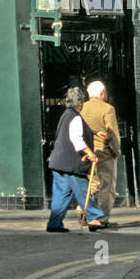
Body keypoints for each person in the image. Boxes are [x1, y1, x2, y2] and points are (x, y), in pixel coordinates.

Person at [46, 86, 104, 232]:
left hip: (58, 162)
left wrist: (95, 132)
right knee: (83, 190)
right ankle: (94, 218)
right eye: (82, 101)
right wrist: (90, 153)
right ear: (79, 103)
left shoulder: (66, 115)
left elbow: (71, 131)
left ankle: (54, 223)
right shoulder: (76, 117)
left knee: (61, 195)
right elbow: (77, 139)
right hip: (71, 164)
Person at [80, 80, 121, 228]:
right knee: (106, 186)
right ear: (103, 93)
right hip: (104, 153)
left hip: (86, 152)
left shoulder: (81, 108)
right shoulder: (107, 109)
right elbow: (113, 133)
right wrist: (116, 151)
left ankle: (84, 211)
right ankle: (101, 218)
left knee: (92, 184)